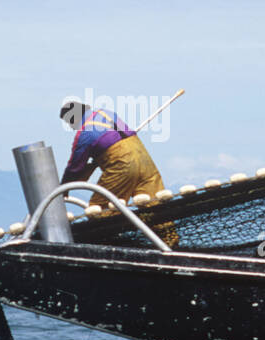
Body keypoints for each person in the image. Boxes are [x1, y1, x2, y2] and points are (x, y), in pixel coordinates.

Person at [59, 98, 177, 246]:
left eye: (69, 123)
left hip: (123, 167)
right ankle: (171, 243)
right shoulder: (107, 113)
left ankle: (112, 245)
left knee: (99, 210)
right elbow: (120, 136)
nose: (71, 127)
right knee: (154, 205)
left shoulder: (83, 134)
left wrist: (64, 188)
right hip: (143, 159)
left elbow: (75, 167)